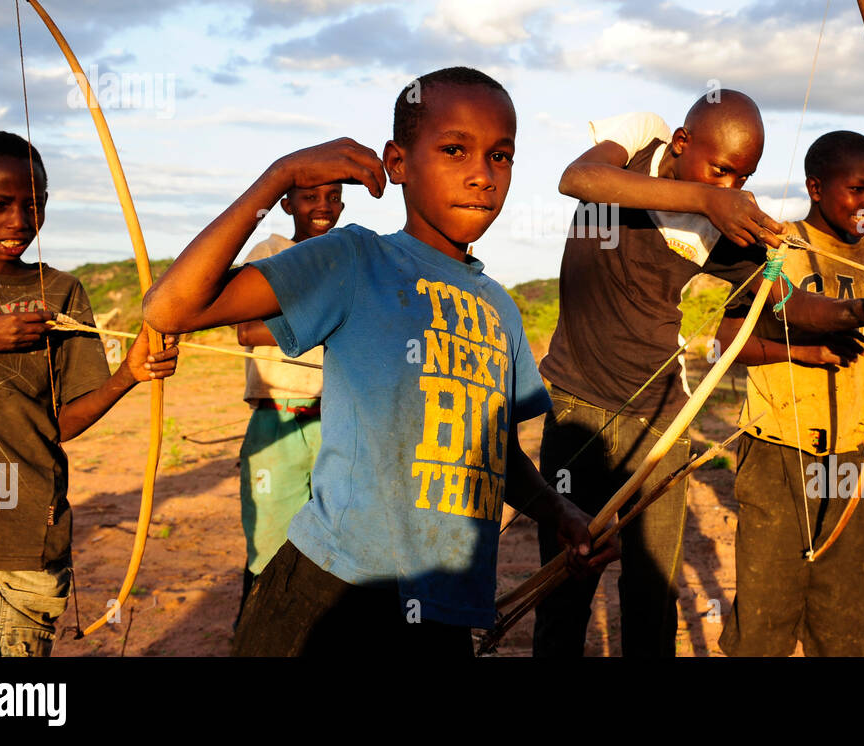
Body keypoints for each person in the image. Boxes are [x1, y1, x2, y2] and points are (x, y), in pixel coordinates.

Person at [142, 67, 615, 656]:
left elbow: (497, 455)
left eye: (501, 156)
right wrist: (280, 176)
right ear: (397, 164)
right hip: (331, 594)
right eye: (453, 150)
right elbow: (169, 308)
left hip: (444, 611)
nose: (481, 174)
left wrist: (563, 513)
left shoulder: (500, 309)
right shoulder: (354, 259)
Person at [534, 97, 864, 657]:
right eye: (719, 168)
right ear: (680, 141)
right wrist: (710, 197)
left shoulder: (722, 231)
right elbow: (578, 179)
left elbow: (787, 304)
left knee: (651, 593)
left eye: (742, 176)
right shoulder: (640, 138)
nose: (731, 183)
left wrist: (860, 309)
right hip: (575, 401)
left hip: (662, 421)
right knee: (566, 581)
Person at [0, 131, 178, 656]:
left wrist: (129, 374)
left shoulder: (61, 293)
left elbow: (60, 424)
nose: (19, 220)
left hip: (26, 544)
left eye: (34, 205)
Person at [716, 131, 864, 656]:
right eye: (858, 188)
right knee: (764, 614)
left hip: (850, 454)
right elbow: (728, 340)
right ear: (816, 187)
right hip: (778, 447)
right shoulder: (779, 249)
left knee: (842, 620)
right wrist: (801, 352)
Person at [234, 182, 343, 613]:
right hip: (276, 417)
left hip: (336, 419)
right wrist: (330, 326)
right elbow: (247, 329)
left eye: (333, 197)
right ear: (287, 204)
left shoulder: (344, 257)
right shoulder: (270, 251)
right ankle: (254, 632)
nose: (323, 207)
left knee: (334, 545)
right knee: (269, 547)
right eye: (310, 198)